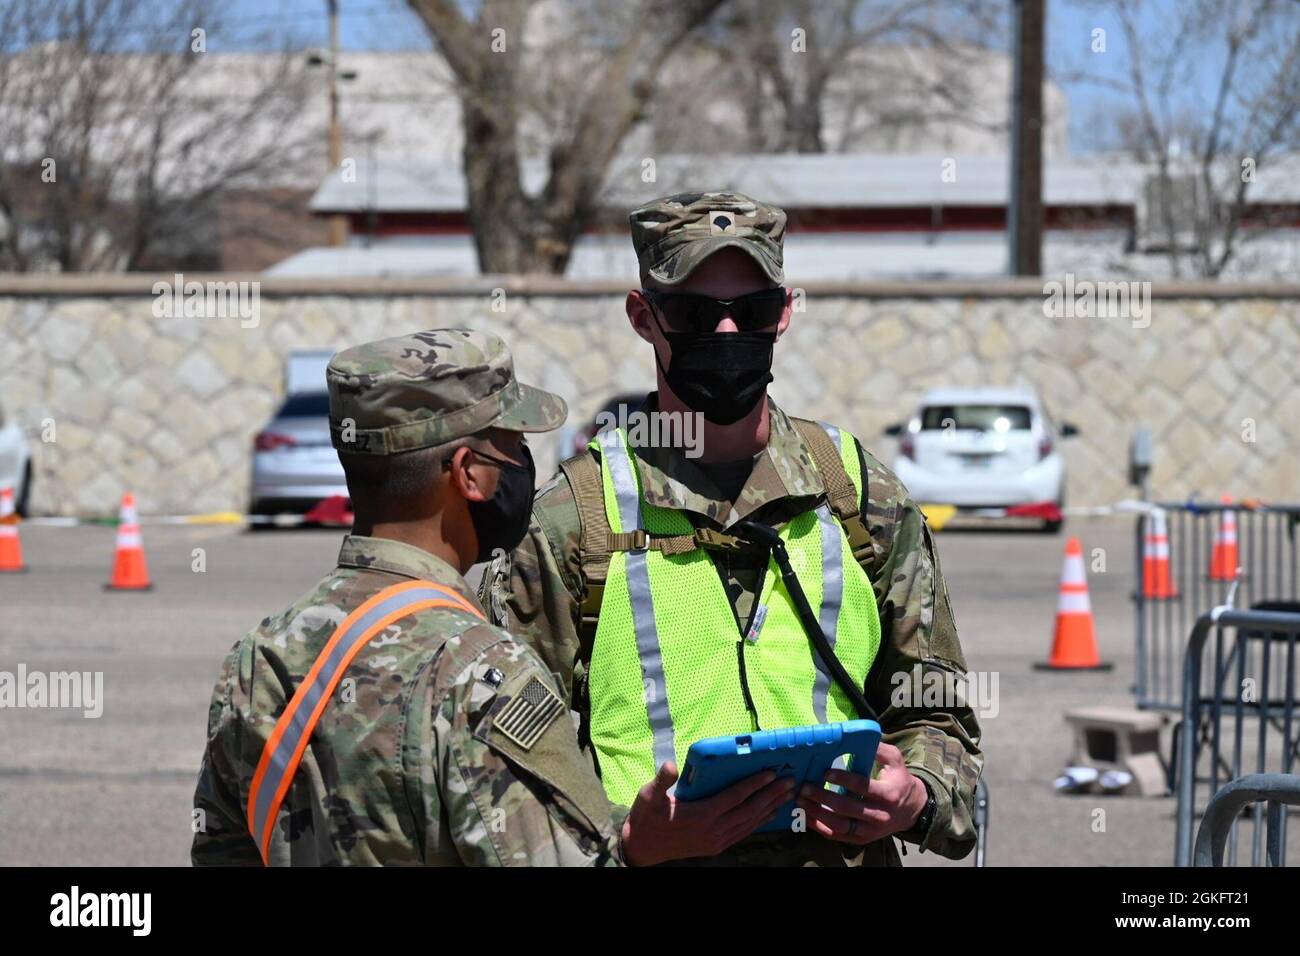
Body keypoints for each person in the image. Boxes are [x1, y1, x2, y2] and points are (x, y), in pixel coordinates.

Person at [482, 193, 985, 866]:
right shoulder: (577, 520)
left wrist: (916, 794)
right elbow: (499, 770)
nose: (724, 336)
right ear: (644, 317)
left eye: (748, 313)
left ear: (782, 314)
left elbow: (938, 710)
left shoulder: (859, 493)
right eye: (693, 313)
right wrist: (624, 842)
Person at [191, 328, 791, 866]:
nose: (525, 465)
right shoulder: (482, 672)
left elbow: (220, 850)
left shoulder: (261, 656)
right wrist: (640, 848)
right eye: (513, 446)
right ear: (469, 474)